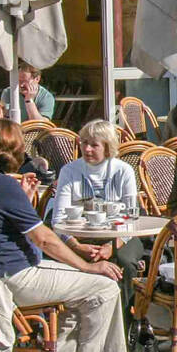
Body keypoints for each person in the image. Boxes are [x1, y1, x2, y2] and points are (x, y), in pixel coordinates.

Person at [0, 117, 126, 352]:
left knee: (78, 285)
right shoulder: (3, 186)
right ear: (11, 151)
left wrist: (23, 198)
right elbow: (44, 239)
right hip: (13, 277)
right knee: (104, 287)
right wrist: (88, 266)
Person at [51, 119, 143, 317]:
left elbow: (131, 216)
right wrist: (76, 246)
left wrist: (111, 246)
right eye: (84, 143)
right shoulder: (69, 171)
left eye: (94, 145)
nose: (87, 149)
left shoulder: (123, 171)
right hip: (80, 237)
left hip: (119, 236)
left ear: (108, 147)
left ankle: (125, 320)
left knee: (126, 262)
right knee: (58, 256)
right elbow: (58, 218)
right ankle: (72, 316)